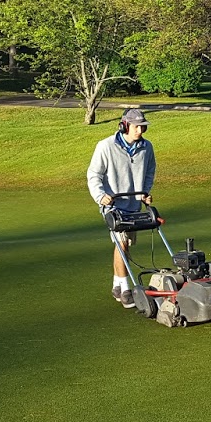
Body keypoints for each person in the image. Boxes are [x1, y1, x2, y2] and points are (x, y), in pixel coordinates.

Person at [87, 107, 156, 307]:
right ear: (125, 125)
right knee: (121, 243)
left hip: (134, 204)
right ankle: (126, 289)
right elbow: (94, 175)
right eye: (136, 127)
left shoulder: (147, 147)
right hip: (113, 205)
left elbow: (150, 171)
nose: (140, 131)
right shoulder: (105, 146)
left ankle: (117, 284)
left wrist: (144, 192)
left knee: (126, 246)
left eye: (143, 127)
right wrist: (101, 197)